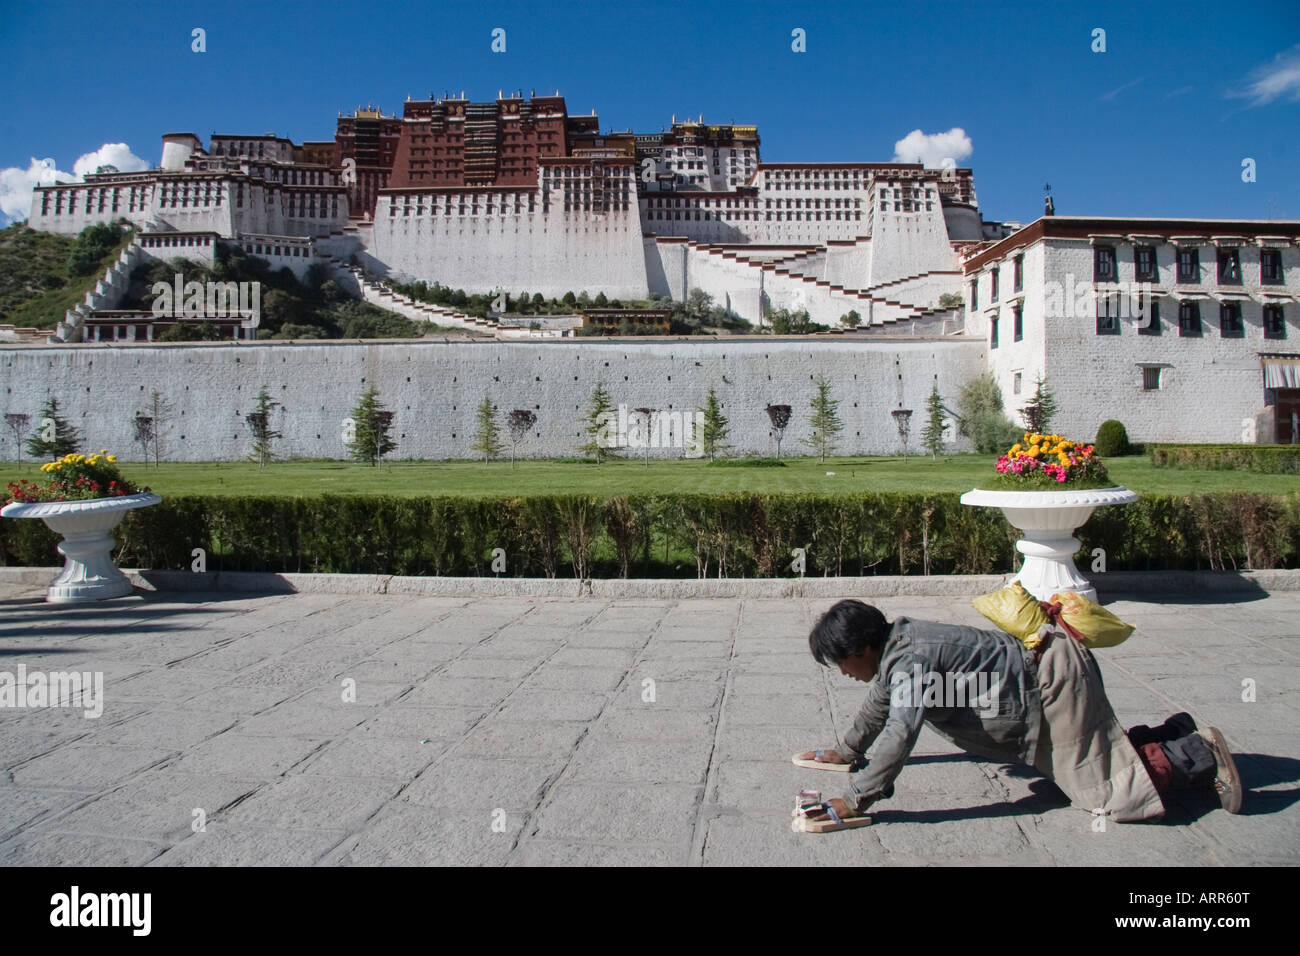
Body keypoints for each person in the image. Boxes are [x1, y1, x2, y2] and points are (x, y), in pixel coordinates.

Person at [794, 600, 1242, 831]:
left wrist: (855, 798)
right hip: (1040, 689)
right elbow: (881, 701)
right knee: (1085, 768)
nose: (844, 674)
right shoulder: (898, 649)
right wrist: (847, 750)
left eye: (840, 664)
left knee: (1109, 797)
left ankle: (1198, 753)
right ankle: (1174, 734)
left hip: (1052, 687)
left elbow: (899, 730)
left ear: (862, 649)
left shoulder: (911, 661)